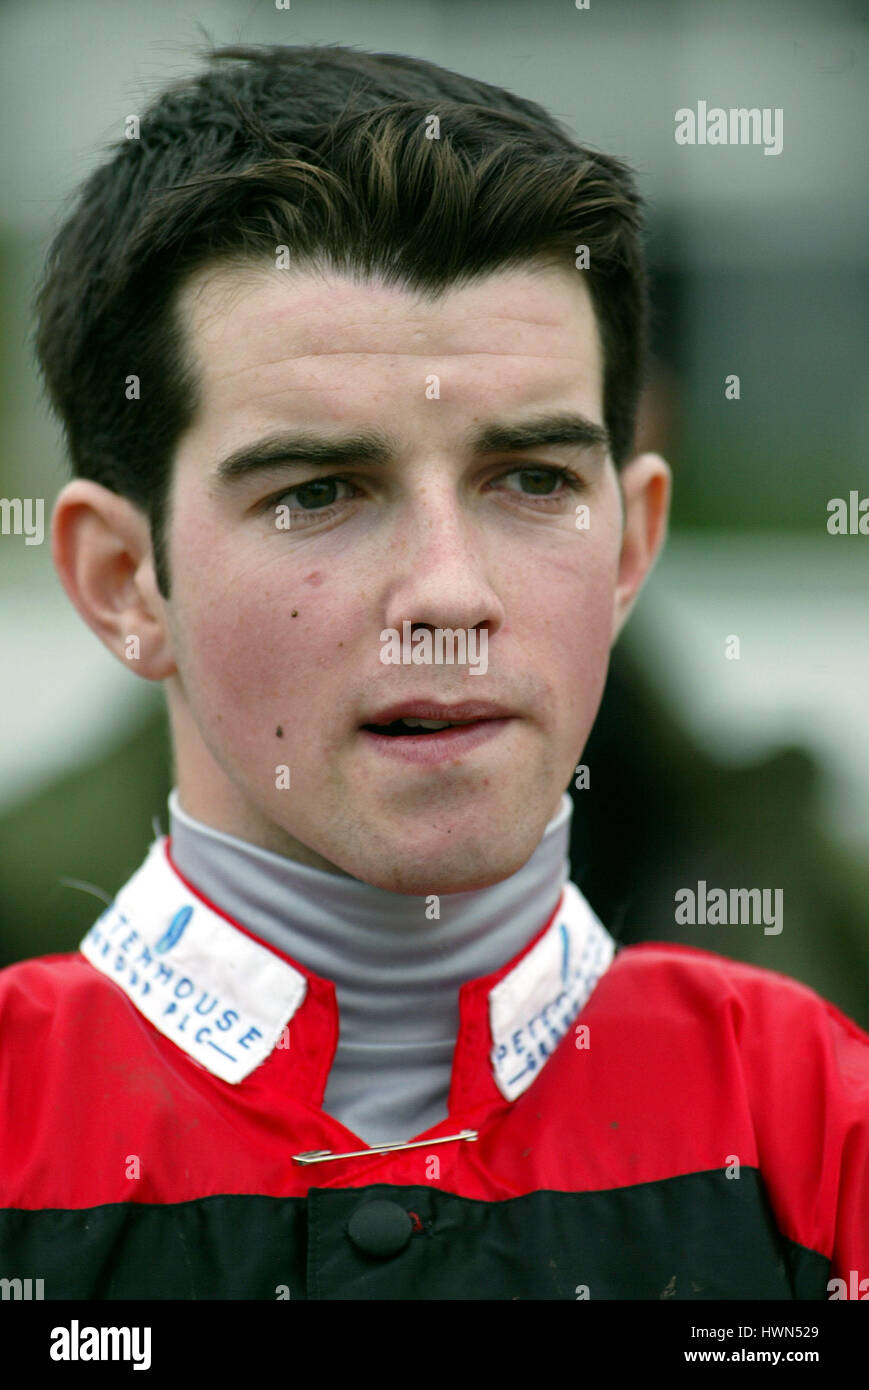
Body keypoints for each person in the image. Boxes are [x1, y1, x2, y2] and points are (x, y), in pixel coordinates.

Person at [1, 42, 865, 1301]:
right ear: (125, 581)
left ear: (629, 544)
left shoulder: (815, 1125)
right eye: (319, 492)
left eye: (531, 480)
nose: (450, 593)